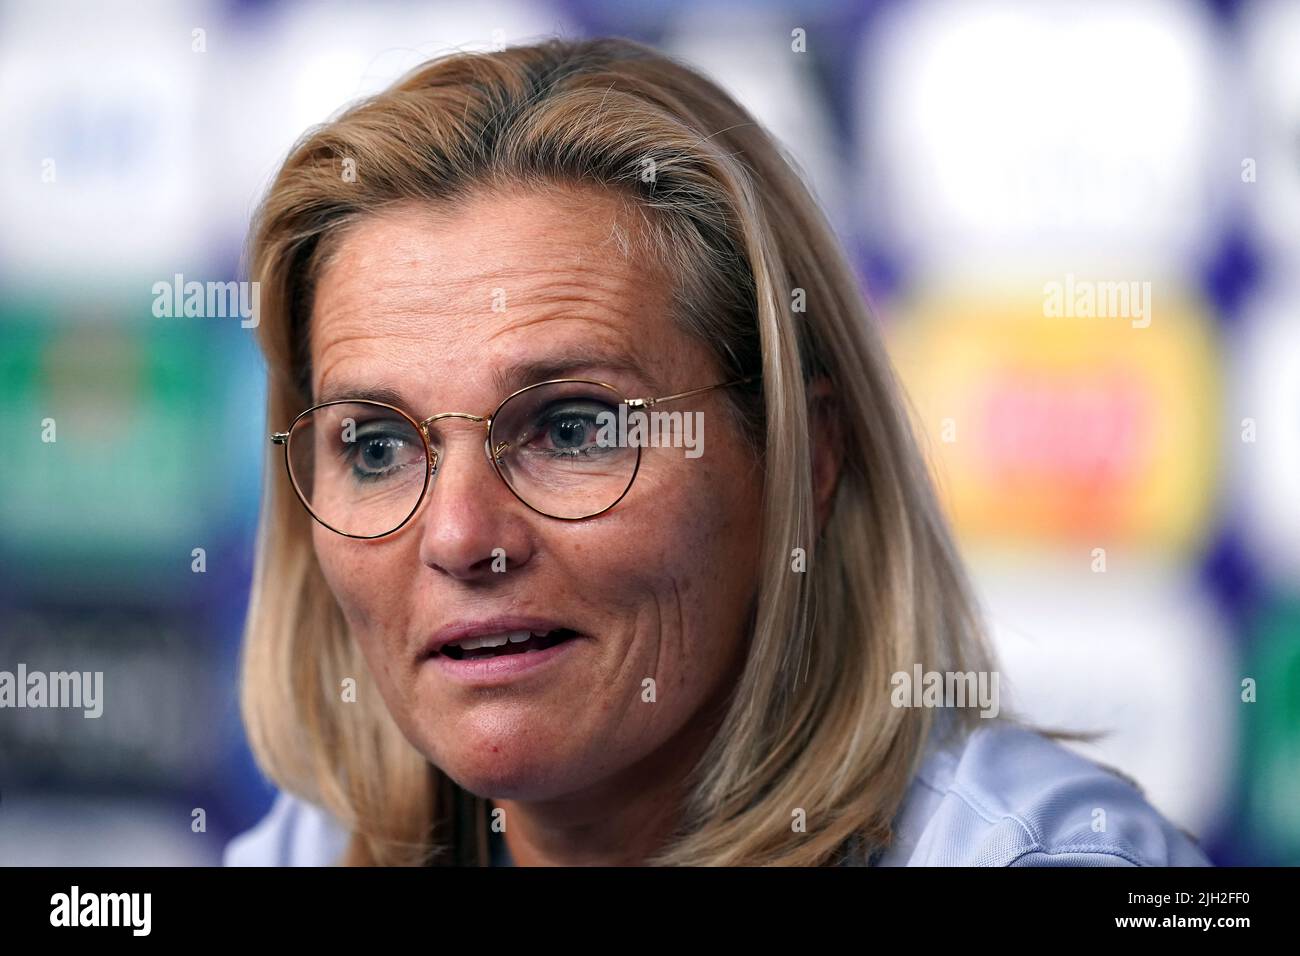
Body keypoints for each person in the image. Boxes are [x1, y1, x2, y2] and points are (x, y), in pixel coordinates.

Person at [224, 36, 1210, 867]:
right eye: (379, 443)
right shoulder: (308, 849)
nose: (459, 535)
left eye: (572, 427)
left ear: (802, 462)